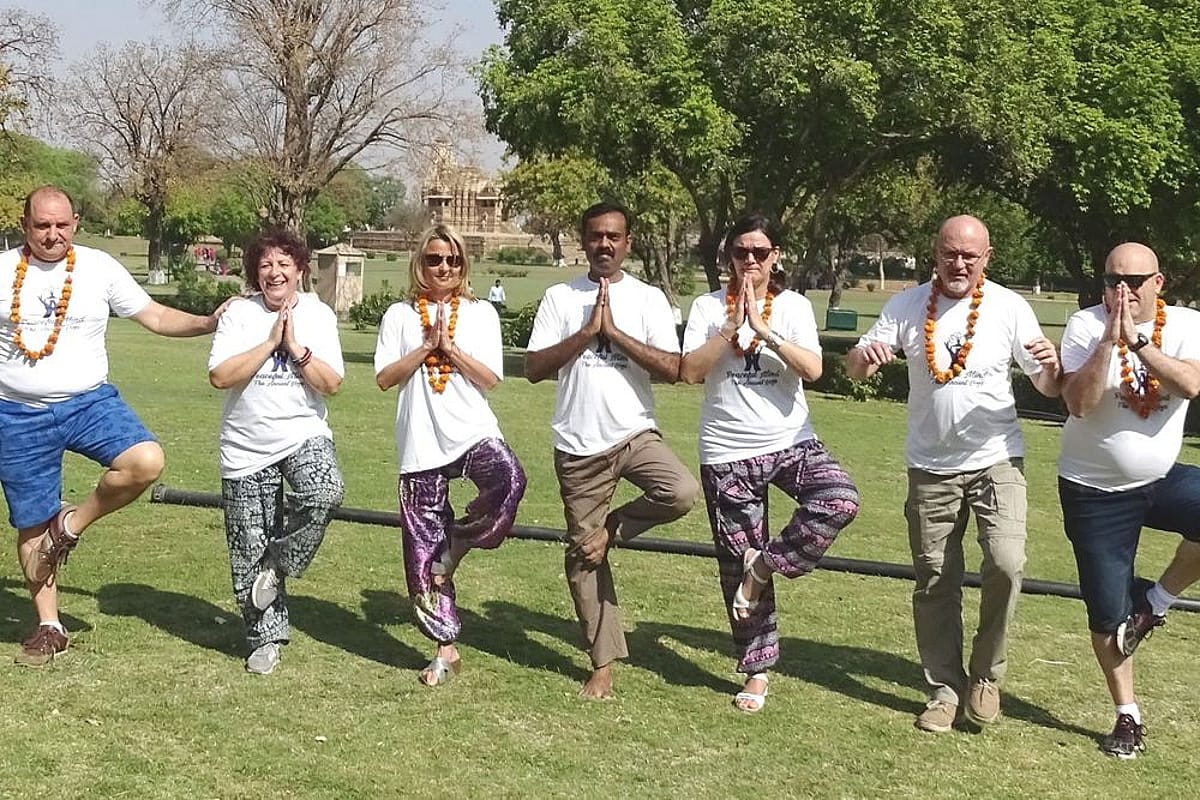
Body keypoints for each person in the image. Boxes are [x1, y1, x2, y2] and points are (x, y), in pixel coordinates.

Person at [845, 214, 1061, 732]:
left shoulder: (1009, 307)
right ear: (935, 253)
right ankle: (944, 688)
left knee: (1006, 562)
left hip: (996, 459)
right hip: (930, 467)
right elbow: (856, 366)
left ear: (987, 258)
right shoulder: (906, 305)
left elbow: (1049, 386)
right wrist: (863, 358)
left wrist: (1053, 368)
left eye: (970, 255)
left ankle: (986, 675)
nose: (959, 264)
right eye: (950, 253)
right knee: (935, 580)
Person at [0, 185, 231, 666]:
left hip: (89, 402)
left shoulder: (98, 267)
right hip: (17, 412)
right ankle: (49, 626)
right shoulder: (3, 271)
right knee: (31, 524)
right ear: (25, 226)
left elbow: (155, 315)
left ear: (75, 223)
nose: (52, 234)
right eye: (42, 225)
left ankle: (70, 524)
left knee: (145, 461)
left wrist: (207, 322)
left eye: (61, 224)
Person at [680, 214, 860, 712]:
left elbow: (814, 370)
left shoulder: (794, 306)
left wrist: (765, 331)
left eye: (760, 252)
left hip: (791, 442)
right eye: (741, 252)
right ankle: (756, 672)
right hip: (727, 451)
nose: (750, 261)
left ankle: (764, 564)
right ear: (729, 256)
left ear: (775, 256)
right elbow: (689, 372)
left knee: (839, 499)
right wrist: (730, 330)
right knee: (733, 562)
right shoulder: (707, 307)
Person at [525, 201, 699, 699]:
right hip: (579, 444)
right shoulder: (560, 297)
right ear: (584, 240)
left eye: (614, 236)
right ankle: (602, 663)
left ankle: (612, 529)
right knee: (584, 556)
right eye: (596, 235)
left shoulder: (647, 298)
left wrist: (614, 333)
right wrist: (586, 332)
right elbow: (534, 369)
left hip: (634, 434)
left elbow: (673, 369)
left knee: (681, 491)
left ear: (628, 243)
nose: (605, 244)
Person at [1057, 242, 1200, 758]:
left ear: (1158, 283)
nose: (1123, 290)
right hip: (1093, 491)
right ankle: (1127, 715)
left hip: (1160, 479)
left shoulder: (1187, 324)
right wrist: (1107, 343)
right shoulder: (1084, 325)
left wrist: (1137, 342)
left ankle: (1154, 602)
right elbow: (1078, 403)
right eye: (1113, 279)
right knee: (1106, 618)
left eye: (1135, 281)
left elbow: (1190, 385)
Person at [374, 224, 526, 686]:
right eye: (435, 259)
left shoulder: (480, 313)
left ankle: (457, 543)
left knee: (509, 480)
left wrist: (449, 348)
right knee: (422, 554)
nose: (444, 268)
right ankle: (445, 649)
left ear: (464, 265)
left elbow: (490, 378)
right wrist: (425, 347)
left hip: (471, 432)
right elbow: (384, 379)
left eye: (453, 260)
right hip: (421, 443)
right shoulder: (400, 315)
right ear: (420, 263)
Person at [207, 228, 345, 675]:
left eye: (284, 264)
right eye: (266, 264)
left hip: (302, 434)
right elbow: (220, 376)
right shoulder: (239, 315)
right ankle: (264, 639)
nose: (275, 272)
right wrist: (269, 343)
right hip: (245, 445)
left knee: (324, 493)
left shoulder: (318, 315)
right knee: (247, 545)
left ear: (299, 269)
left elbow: (332, 384)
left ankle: (278, 561)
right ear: (255, 272)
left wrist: (295, 348)